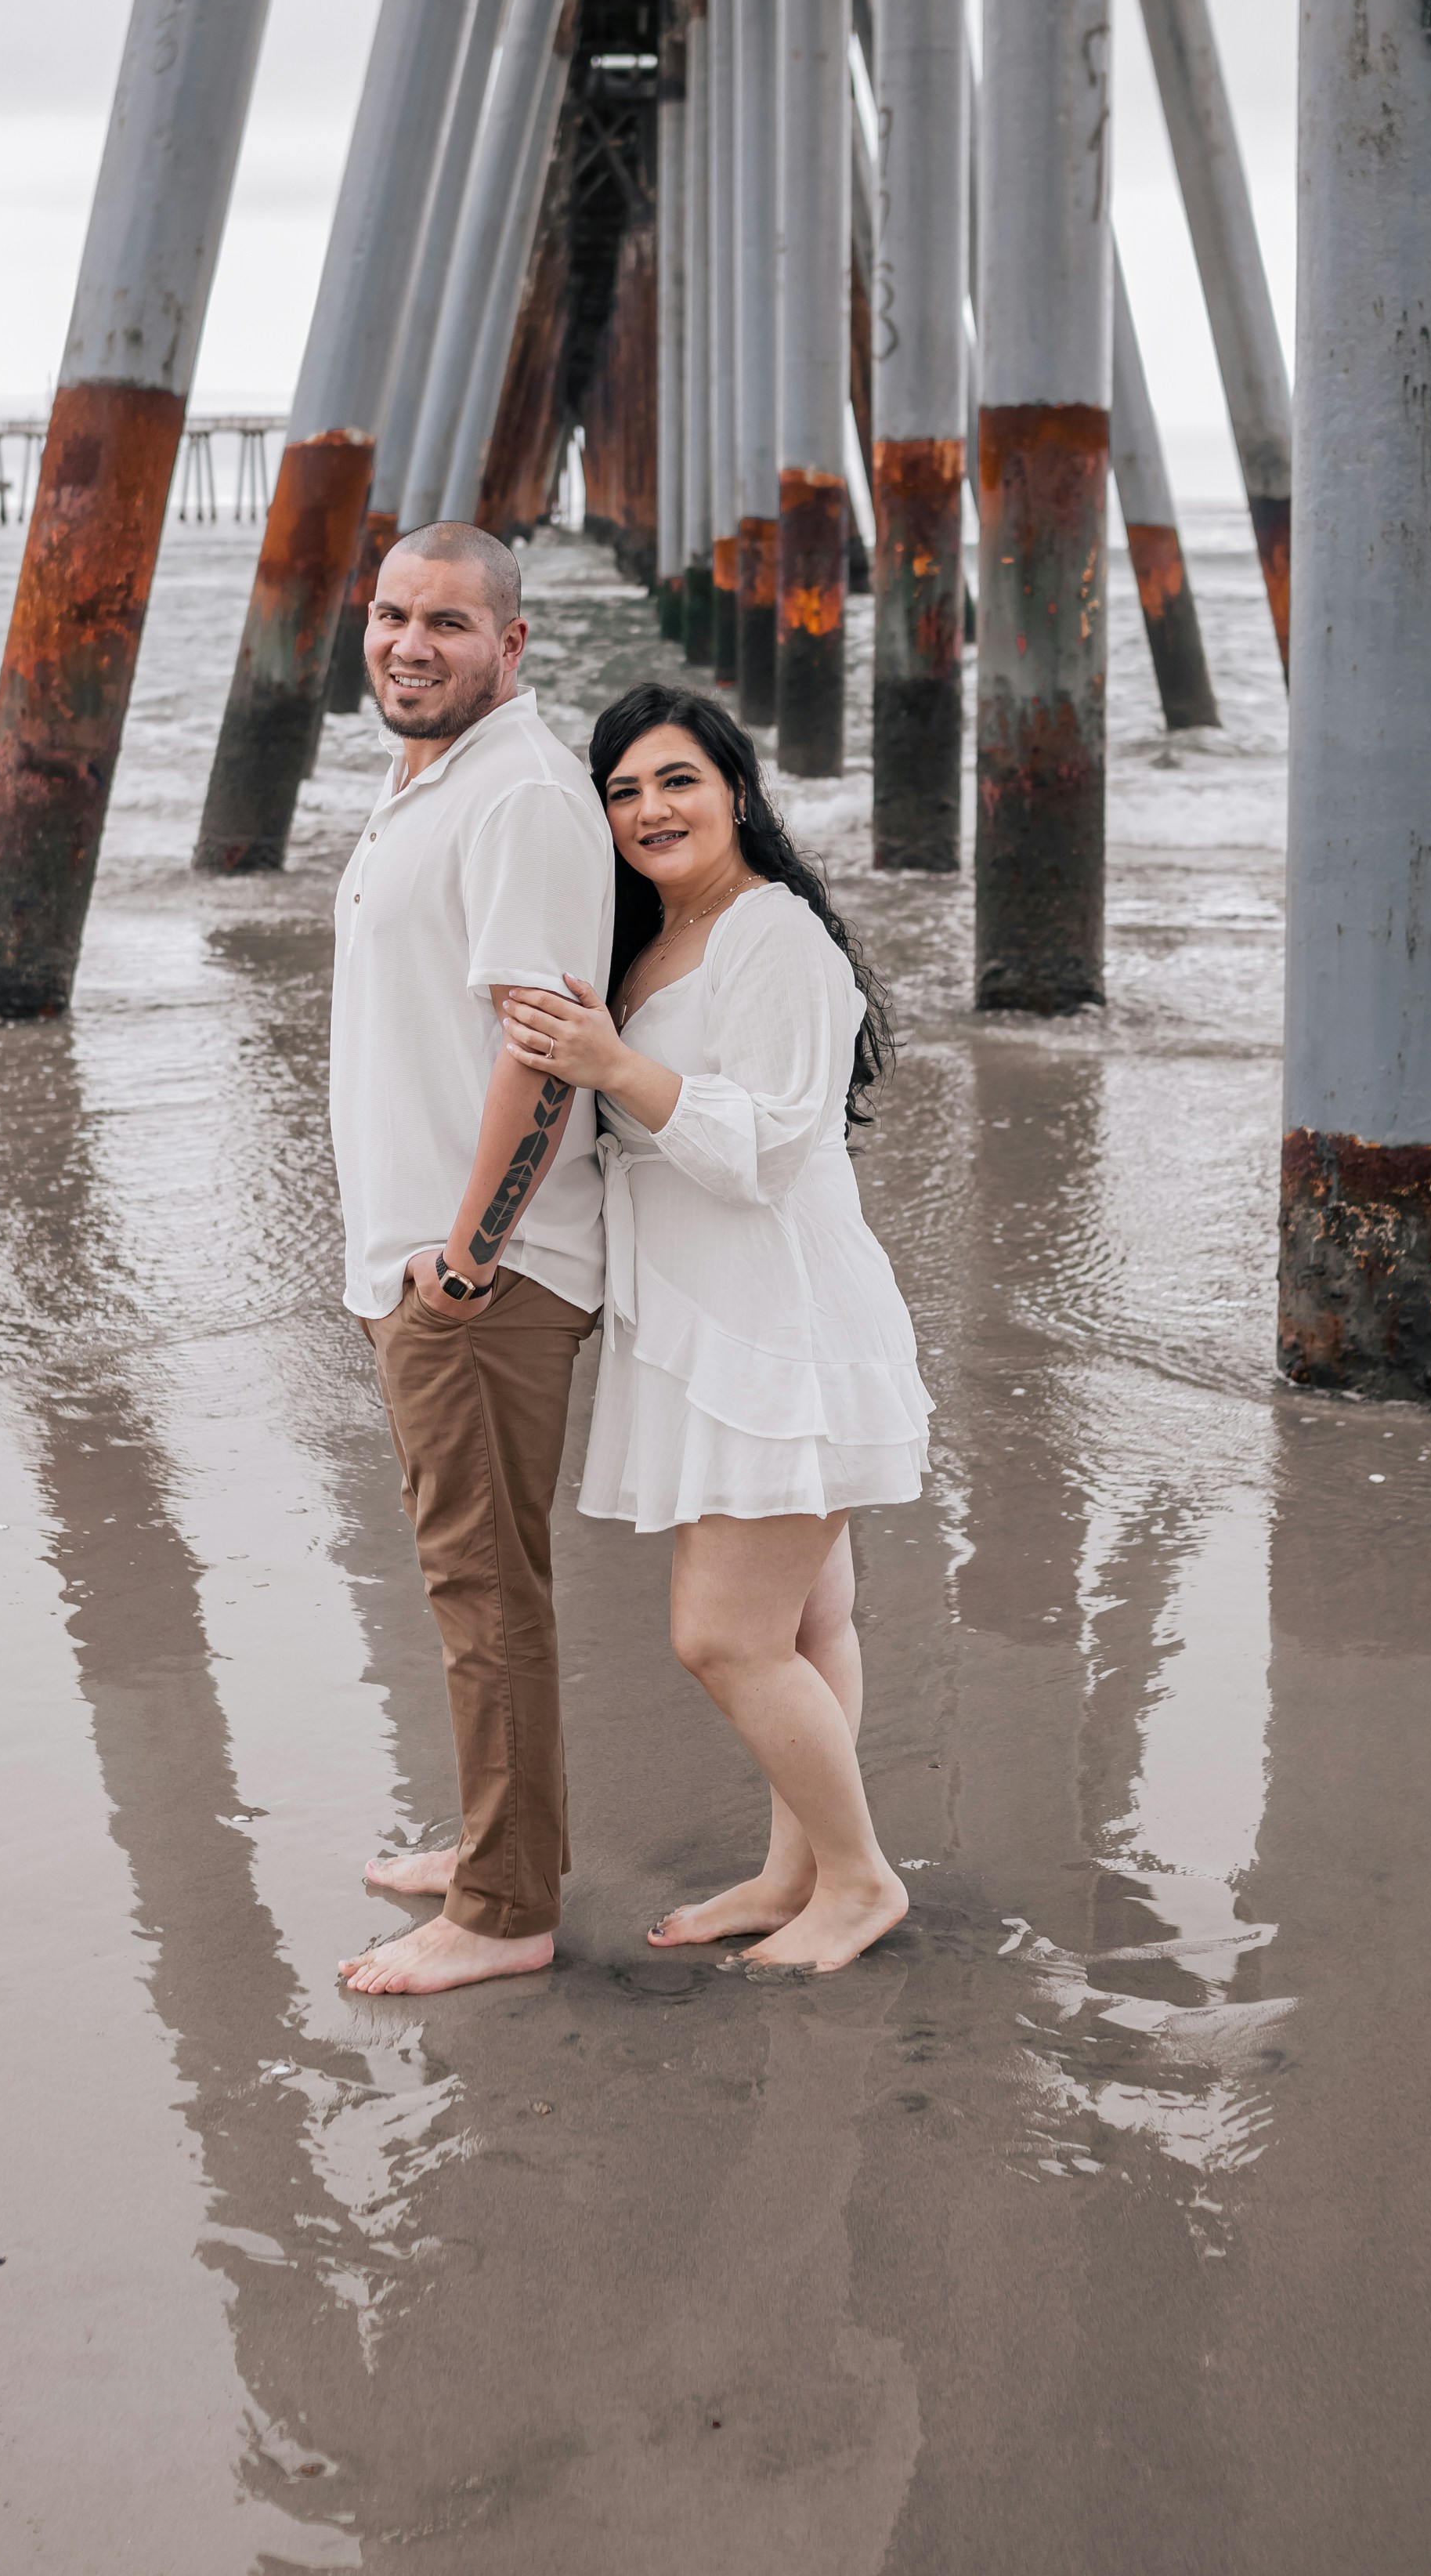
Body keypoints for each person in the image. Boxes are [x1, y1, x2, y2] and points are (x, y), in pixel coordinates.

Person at [500, 685, 929, 1974]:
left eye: (675, 780)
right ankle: (792, 1872)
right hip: (702, 1319)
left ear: (735, 790)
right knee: (807, 1628)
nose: (649, 810)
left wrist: (611, 1062)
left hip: (780, 1322)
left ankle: (858, 1882)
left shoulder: (771, 932)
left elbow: (772, 1144)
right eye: (623, 791)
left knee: (722, 1636)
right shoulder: (652, 940)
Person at [331, 523, 614, 1999]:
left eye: (449, 621)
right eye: (392, 614)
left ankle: (504, 1912)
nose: (411, 644)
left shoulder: (521, 799)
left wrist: (462, 1260)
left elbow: (544, 1050)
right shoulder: (434, 782)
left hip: (483, 1274)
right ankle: (496, 1846)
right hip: (434, 1263)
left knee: (483, 1585)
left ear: (515, 646)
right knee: (473, 1579)